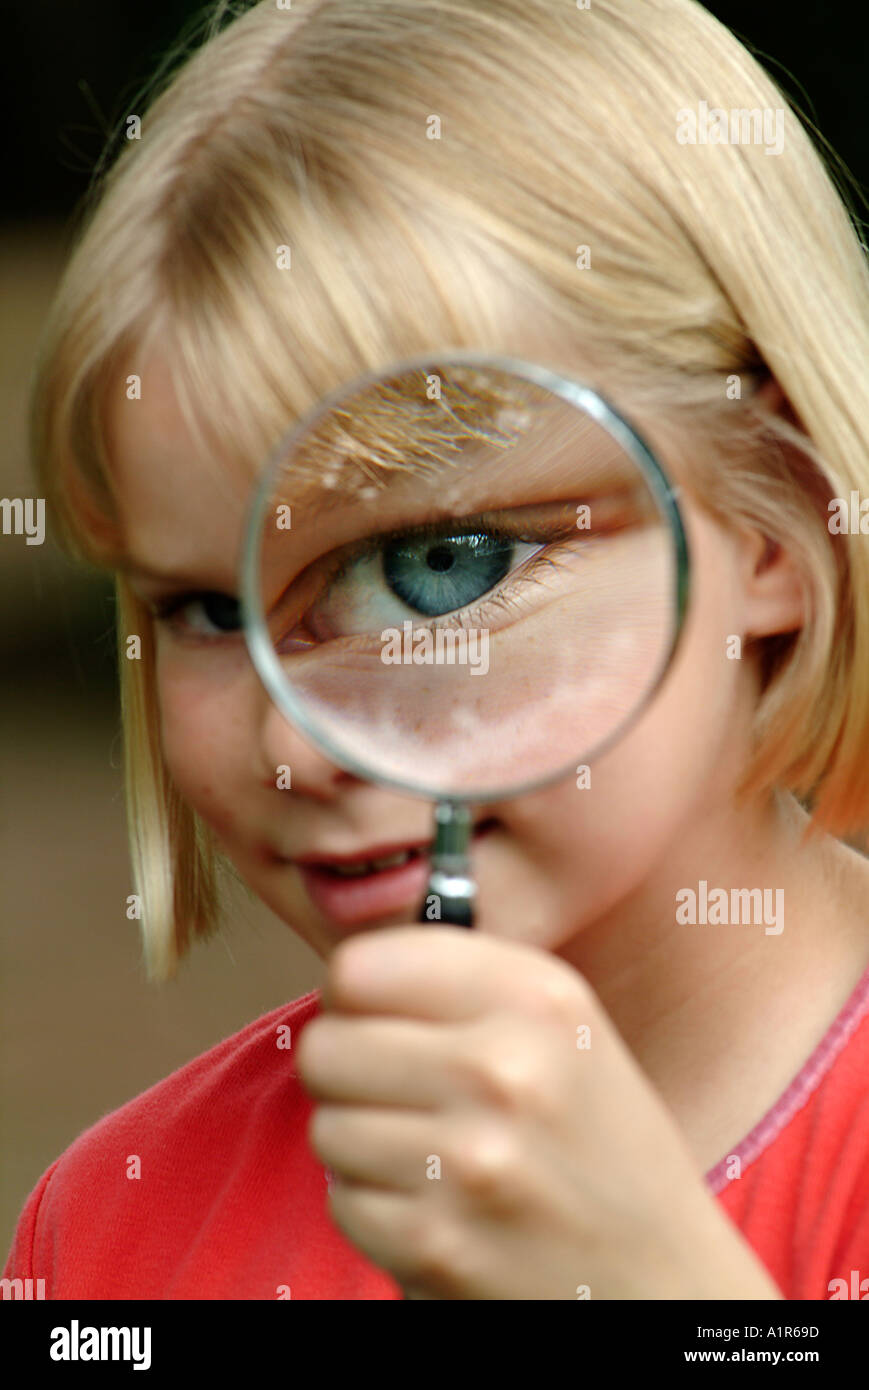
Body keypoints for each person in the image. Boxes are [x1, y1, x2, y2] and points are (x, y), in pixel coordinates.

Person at [4, 0, 869, 1300]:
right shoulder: (109, 1230)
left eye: (437, 567)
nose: (292, 741)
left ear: (777, 518)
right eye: (207, 611)